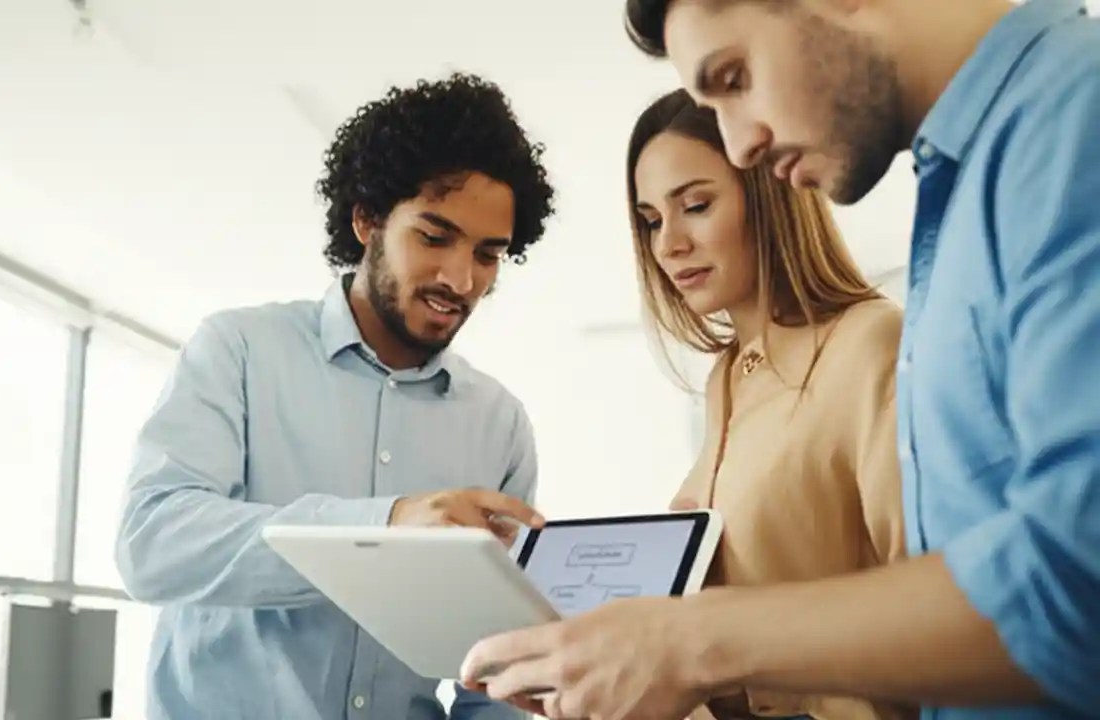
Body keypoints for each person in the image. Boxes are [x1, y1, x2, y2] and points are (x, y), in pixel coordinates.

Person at [461, 1, 1100, 718]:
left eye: (734, 77)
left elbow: (1075, 582)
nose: (740, 145)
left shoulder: (1071, 118)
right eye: (649, 222)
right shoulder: (958, 195)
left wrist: (690, 643)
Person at [116, 72, 555, 720]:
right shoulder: (239, 351)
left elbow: (492, 665)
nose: (461, 280)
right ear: (367, 220)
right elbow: (151, 545)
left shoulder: (499, 426)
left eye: (488, 255)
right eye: (434, 238)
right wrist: (387, 525)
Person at [627, 88, 911, 720]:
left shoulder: (869, 343)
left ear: (768, 194)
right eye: (651, 221)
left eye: (695, 205)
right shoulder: (724, 380)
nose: (668, 243)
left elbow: (934, 599)